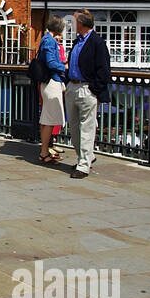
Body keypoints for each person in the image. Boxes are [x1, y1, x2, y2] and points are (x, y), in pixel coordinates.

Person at [63, 9, 112, 179]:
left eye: (74, 21)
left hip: (86, 88)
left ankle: (83, 165)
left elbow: (104, 70)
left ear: (82, 23)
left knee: (87, 128)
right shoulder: (77, 42)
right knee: (74, 128)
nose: (72, 24)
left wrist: (94, 90)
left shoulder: (97, 43)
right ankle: (87, 156)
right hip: (72, 87)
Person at [36, 16, 68, 164]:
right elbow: (50, 62)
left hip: (47, 82)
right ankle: (44, 152)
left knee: (46, 119)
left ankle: (45, 151)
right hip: (51, 81)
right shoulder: (49, 41)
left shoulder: (45, 39)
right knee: (49, 120)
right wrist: (65, 67)